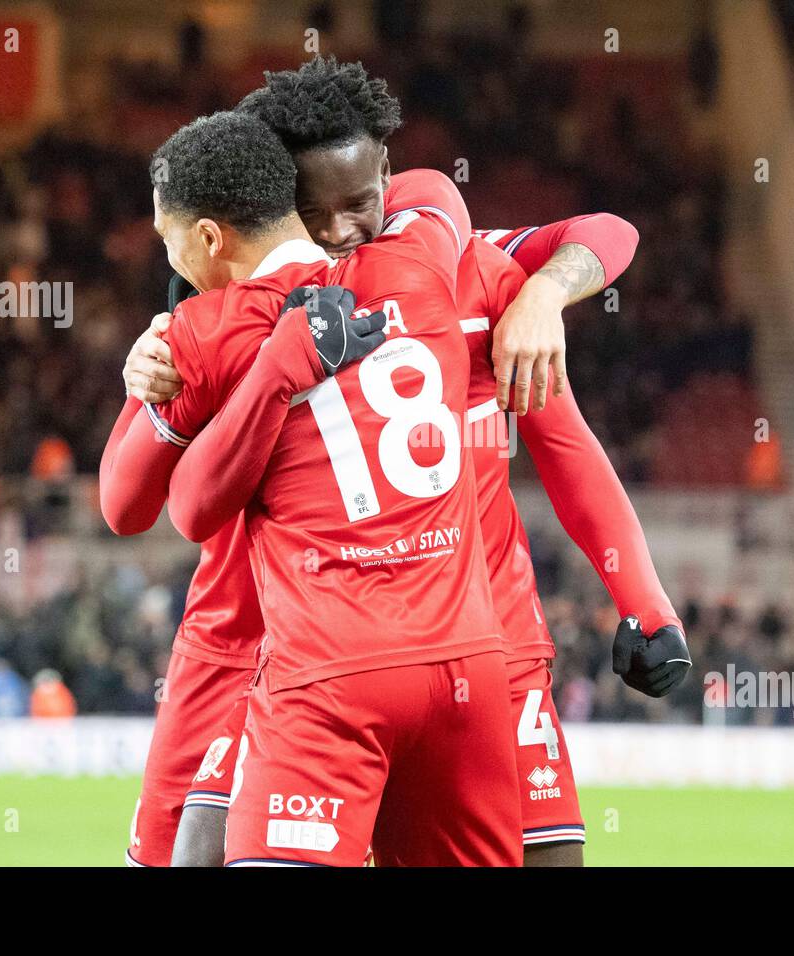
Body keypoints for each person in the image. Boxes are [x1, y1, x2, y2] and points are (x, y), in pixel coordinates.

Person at [129, 58, 689, 866]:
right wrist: (144, 386)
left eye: (360, 205)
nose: (341, 232)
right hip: (285, 654)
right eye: (315, 215)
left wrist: (541, 297)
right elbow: (140, 500)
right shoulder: (226, 312)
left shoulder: (473, 276)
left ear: (384, 177)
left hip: (482, 651)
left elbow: (571, 430)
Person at [104, 108, 520, 865]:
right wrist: (548, 296)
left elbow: (141, 507)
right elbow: (438, 195)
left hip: (322, 668)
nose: (169, 263)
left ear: (207, 237)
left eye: (169, 240)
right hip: (465, 665)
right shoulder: (424, 261)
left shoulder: (207, 330)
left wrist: (154, 381)